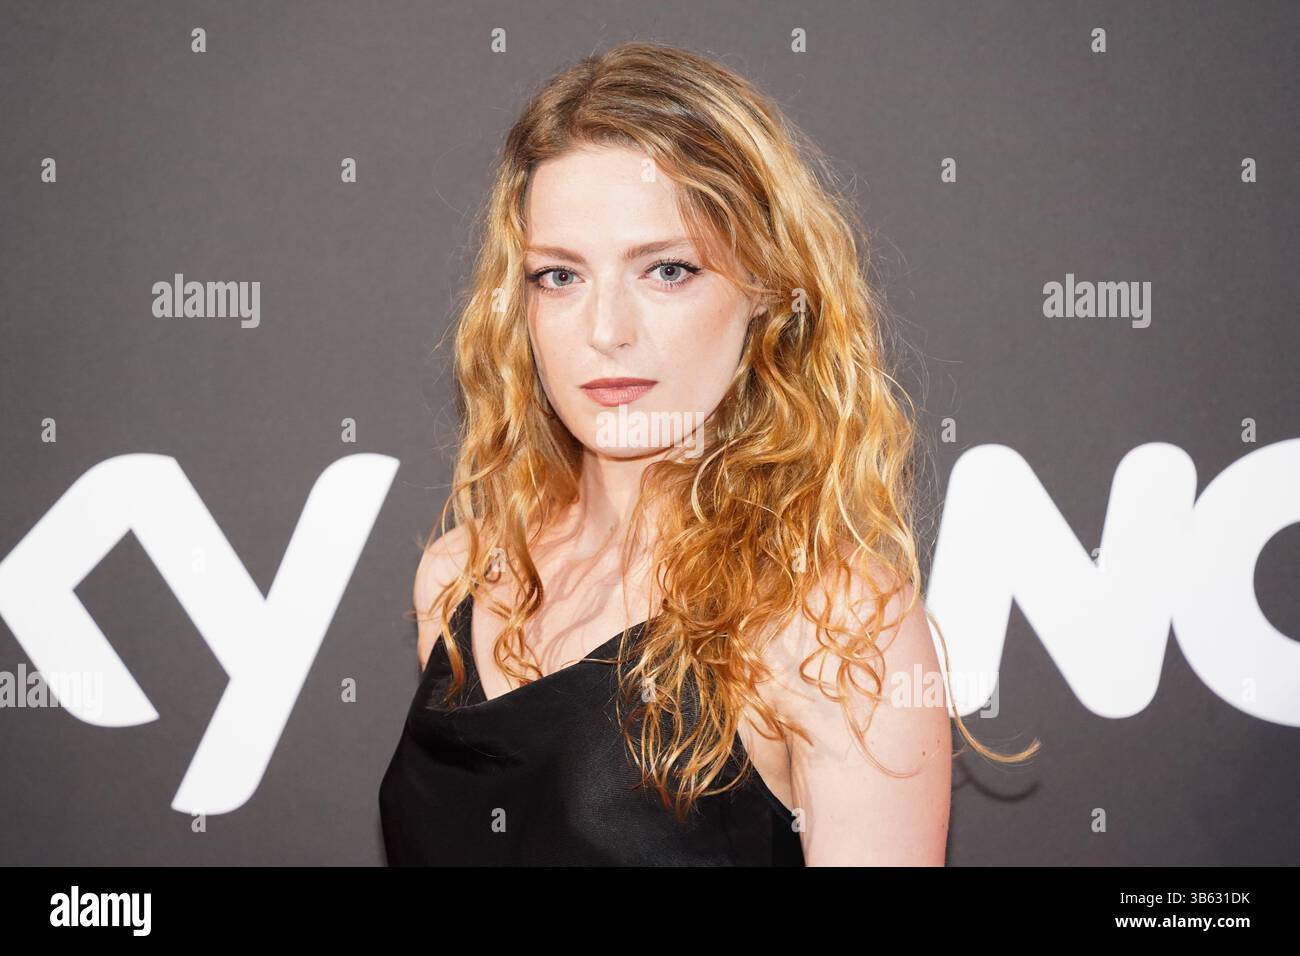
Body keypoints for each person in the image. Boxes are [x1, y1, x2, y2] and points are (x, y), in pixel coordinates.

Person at [379, 40, 1036, 866]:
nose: (606, 330)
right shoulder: (461, 577)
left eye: (668, 270)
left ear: (766, 293)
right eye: (559, 277)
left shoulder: (834, 626)